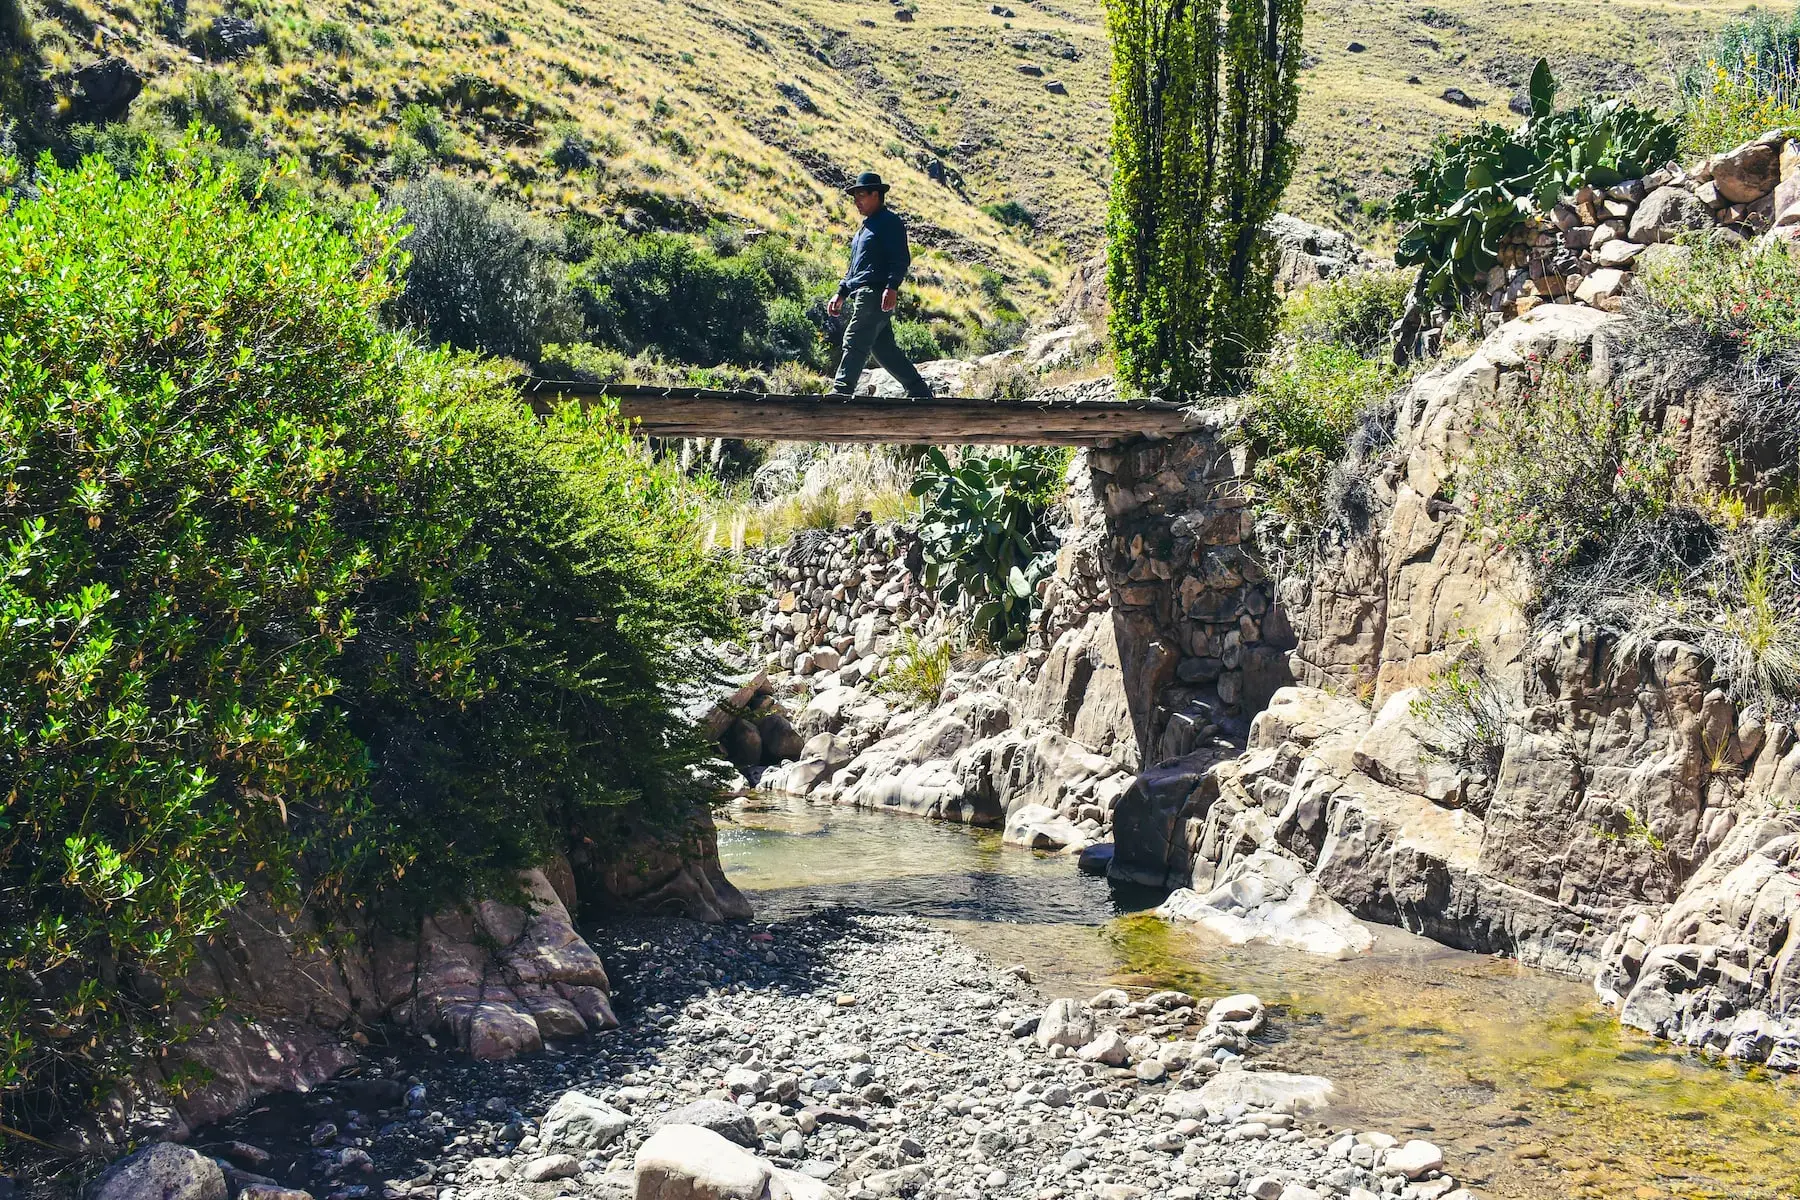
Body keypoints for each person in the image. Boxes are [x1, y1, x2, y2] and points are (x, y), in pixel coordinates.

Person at [827, 172, 934, 398]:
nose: (857, 201)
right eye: (855, 196)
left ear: (877, 195)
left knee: (854, 339)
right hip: (863, 293)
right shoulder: (863, 231)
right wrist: (841, 292)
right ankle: (919, 392)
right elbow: (855, 269)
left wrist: (892, 286)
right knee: (884, 350)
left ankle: (841, 391)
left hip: (873, 293)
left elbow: (900, 258)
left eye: (862, 195)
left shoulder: (889, 222)